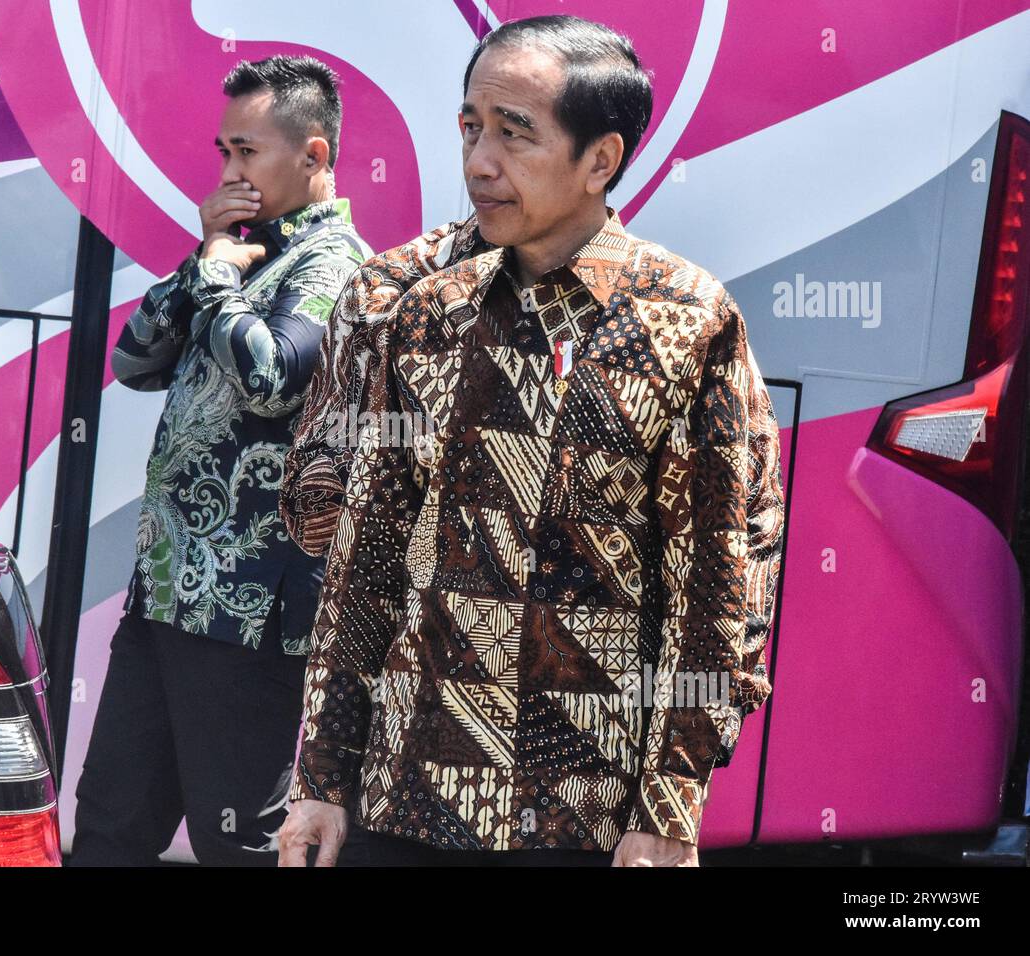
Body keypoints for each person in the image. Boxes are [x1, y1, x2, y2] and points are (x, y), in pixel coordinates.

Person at [277, 15, 785, 867]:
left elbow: (719, 586)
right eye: (471, 127)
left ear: (601, 160)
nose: (480, 162)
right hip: (400, 802)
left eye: (516, 136)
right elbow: (365, 567)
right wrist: (320, 781)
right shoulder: (426, 314)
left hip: (577, 821)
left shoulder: (687, 323)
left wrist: (667, 805)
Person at [68, 54, 372, 866]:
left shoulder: (334, 264)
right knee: (107, 830)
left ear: (313, 157)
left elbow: (274, 376)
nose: (228, 171)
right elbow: (134, 361)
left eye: (247, 152)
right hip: (168, 596)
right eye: (224, 151)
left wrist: (214, 281)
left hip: (245, 615)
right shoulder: (238, 253)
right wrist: (206, 260)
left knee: (237, 846)